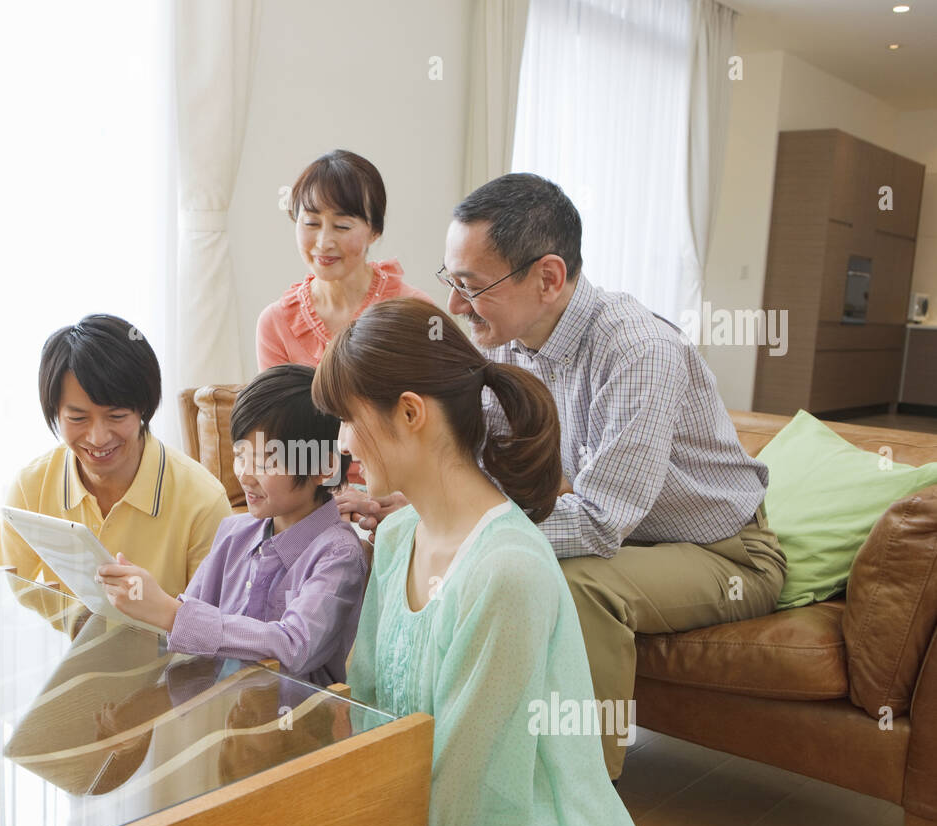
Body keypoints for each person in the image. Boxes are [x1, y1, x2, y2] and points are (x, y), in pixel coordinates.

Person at [337, 174, 787, 781]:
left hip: (723, 551)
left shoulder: (639, 350)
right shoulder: (500, 340)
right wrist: (413, 507)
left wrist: (463, 527)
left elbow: (597, 522)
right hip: (629, 537)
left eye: (471, 286)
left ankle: (580, 794)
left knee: (575, 584)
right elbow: (474, 470)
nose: (456, 306)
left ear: (548, 278)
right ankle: (431, 758)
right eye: (451, 281)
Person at [315, 298, 646, 826]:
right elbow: (371, 712)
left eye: (349, 420)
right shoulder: (397, 537)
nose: (342, 443)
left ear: (409, 412)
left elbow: (471, 786)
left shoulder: (506, 570)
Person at [97, 365, 367, 688]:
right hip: (216, 707)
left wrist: (171, 613)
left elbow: (294, 646)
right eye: (240, 454)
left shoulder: (339, 554)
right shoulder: (233, 533)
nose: (245, 474)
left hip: (297, 716)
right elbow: (186, 624)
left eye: (266, 461)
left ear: (324, 467)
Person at [0, 315, 232, 629]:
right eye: (78, 418)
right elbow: (13, 588)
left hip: (169, 661)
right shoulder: (31, 487)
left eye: (117, 416)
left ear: (143, 408)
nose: (98, 438)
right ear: (55, 413)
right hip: (72, 657)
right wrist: (75, 620)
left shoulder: (203, 501)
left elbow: (217, 630)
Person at [257, 149, 435, 371]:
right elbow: (274, 395)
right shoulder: (276, 322)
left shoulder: (416, 311)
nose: (324, 243)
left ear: (374, 231)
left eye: (342, 226)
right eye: (311, 223)